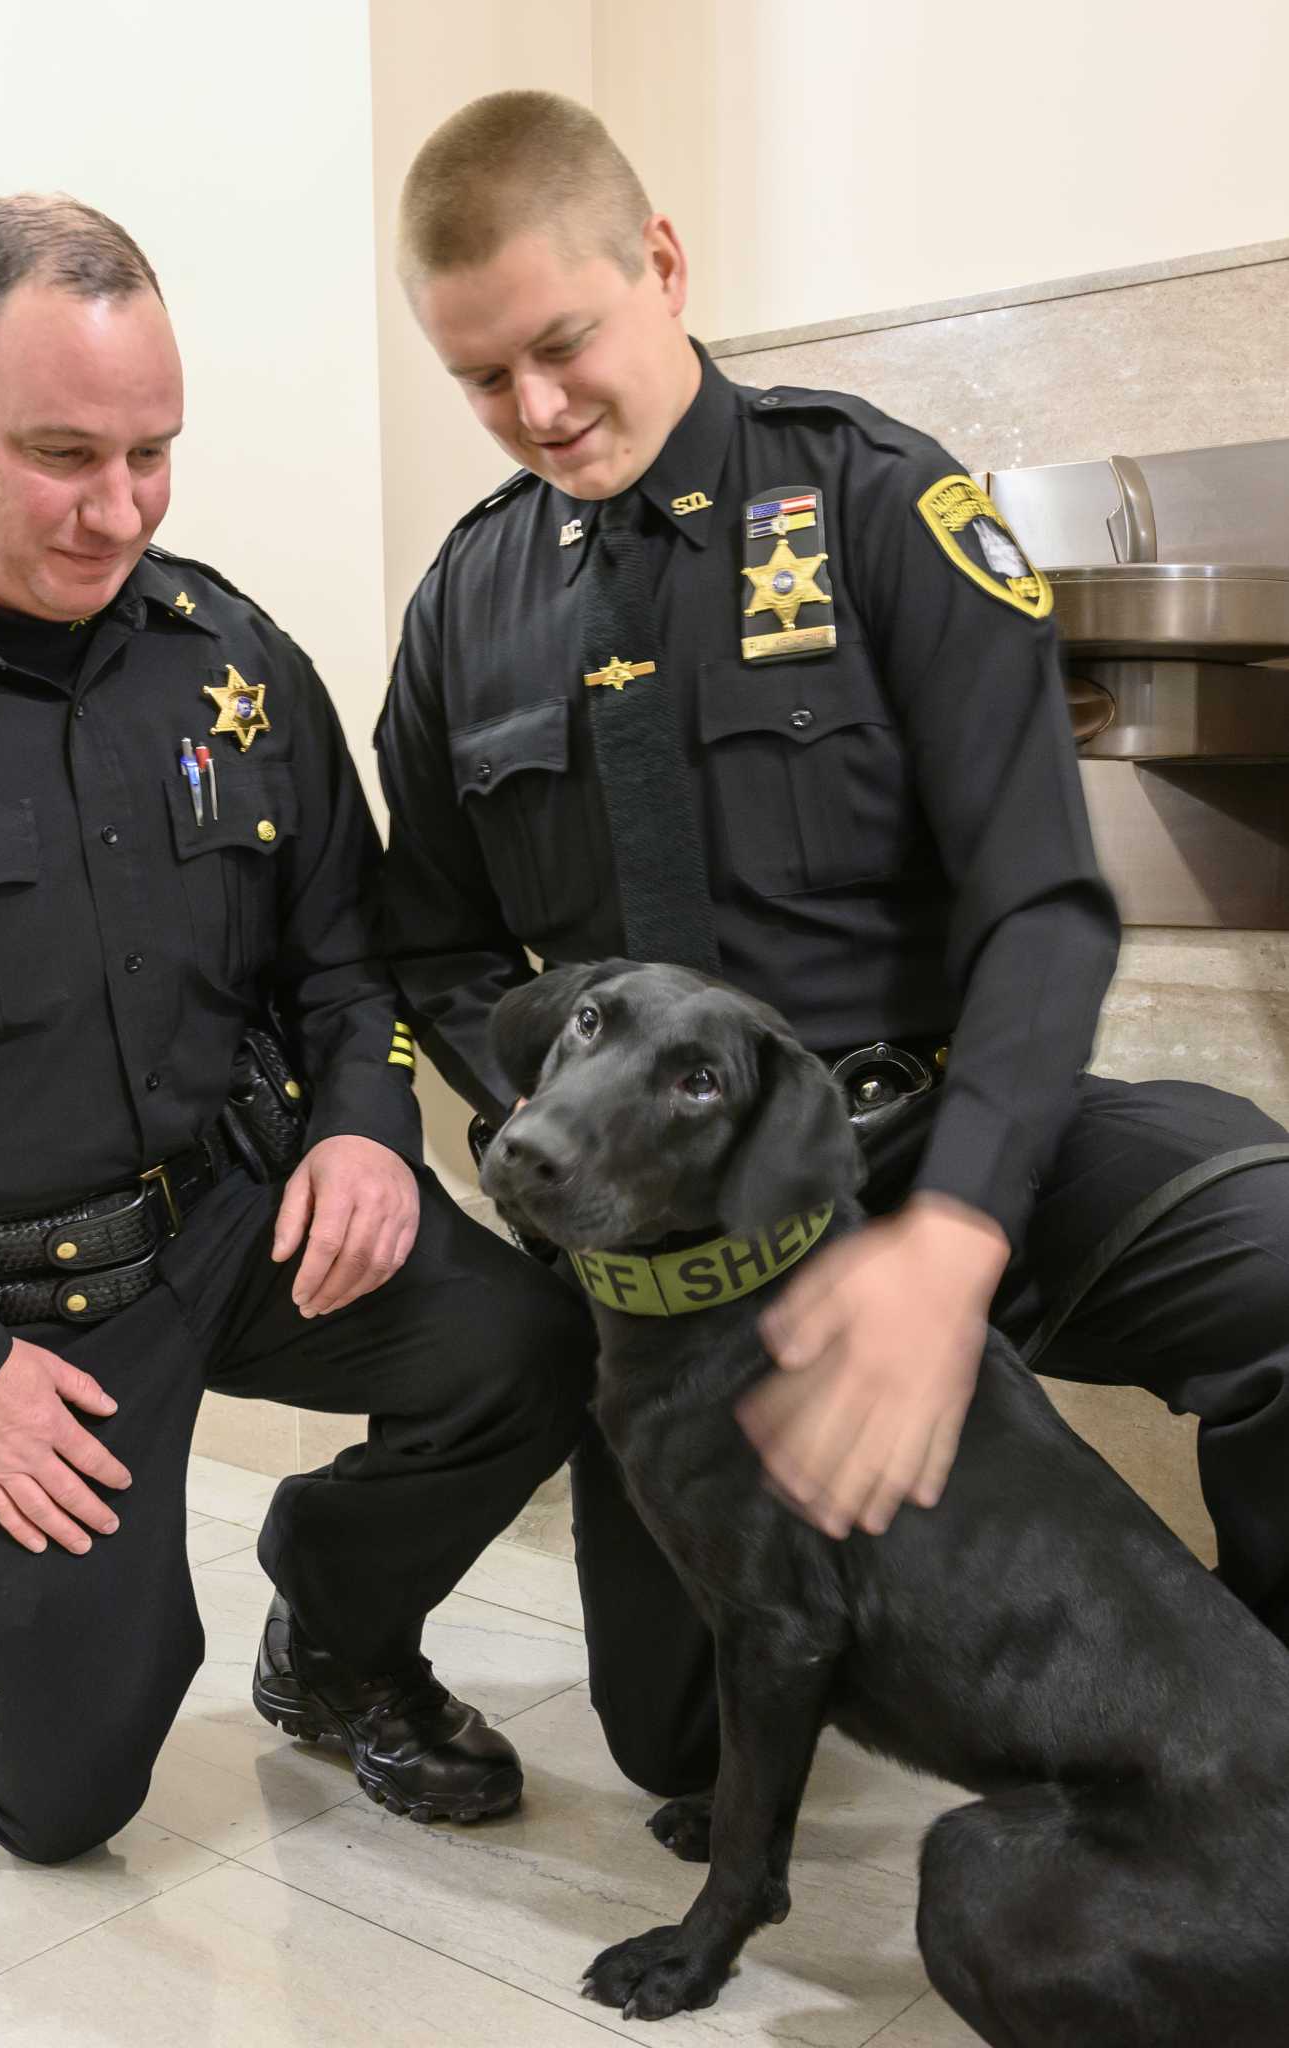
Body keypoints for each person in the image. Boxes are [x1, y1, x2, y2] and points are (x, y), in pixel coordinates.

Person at [376, 90, 1289, 1800]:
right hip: (679, 1243)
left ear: (659, 263)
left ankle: (1253, 1763)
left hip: (936, 1141)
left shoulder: (875, 502)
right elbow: (430, 949)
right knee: (678, 1758)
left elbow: (1037, 900)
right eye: (481, 379)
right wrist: (565, 1143)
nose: (537, 409)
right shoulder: (464, 605)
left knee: (1279, 1258)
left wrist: (952, 1237)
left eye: (561, 345)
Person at [0, 193, 592, 1861]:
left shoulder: (229, 658)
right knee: (59, 1803)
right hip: (4, 1307)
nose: (118, 512)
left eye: (152, 454)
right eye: (63, 456)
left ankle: (337, 1639)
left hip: (238, 1220)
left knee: (525, 1344)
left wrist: (365, 1130)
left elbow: (345, 954)